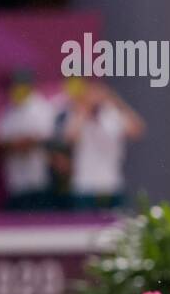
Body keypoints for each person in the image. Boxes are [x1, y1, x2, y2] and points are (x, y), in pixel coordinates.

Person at [61, 78, 146, 210]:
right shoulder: (78, 115)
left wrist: (116, 102)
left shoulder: (112, 115)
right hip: (85, 185)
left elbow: (136, 129)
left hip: (111, 184)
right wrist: (84, 108)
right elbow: (70, 138)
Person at [0, 69, 58, 210]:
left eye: (21, 84)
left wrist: (22, 143)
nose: (18, 88)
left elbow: (46, 137)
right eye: (15, 85)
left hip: (38, 180)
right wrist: (14, 144)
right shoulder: (9, 110)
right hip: (16, 182)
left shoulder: (41, 107)